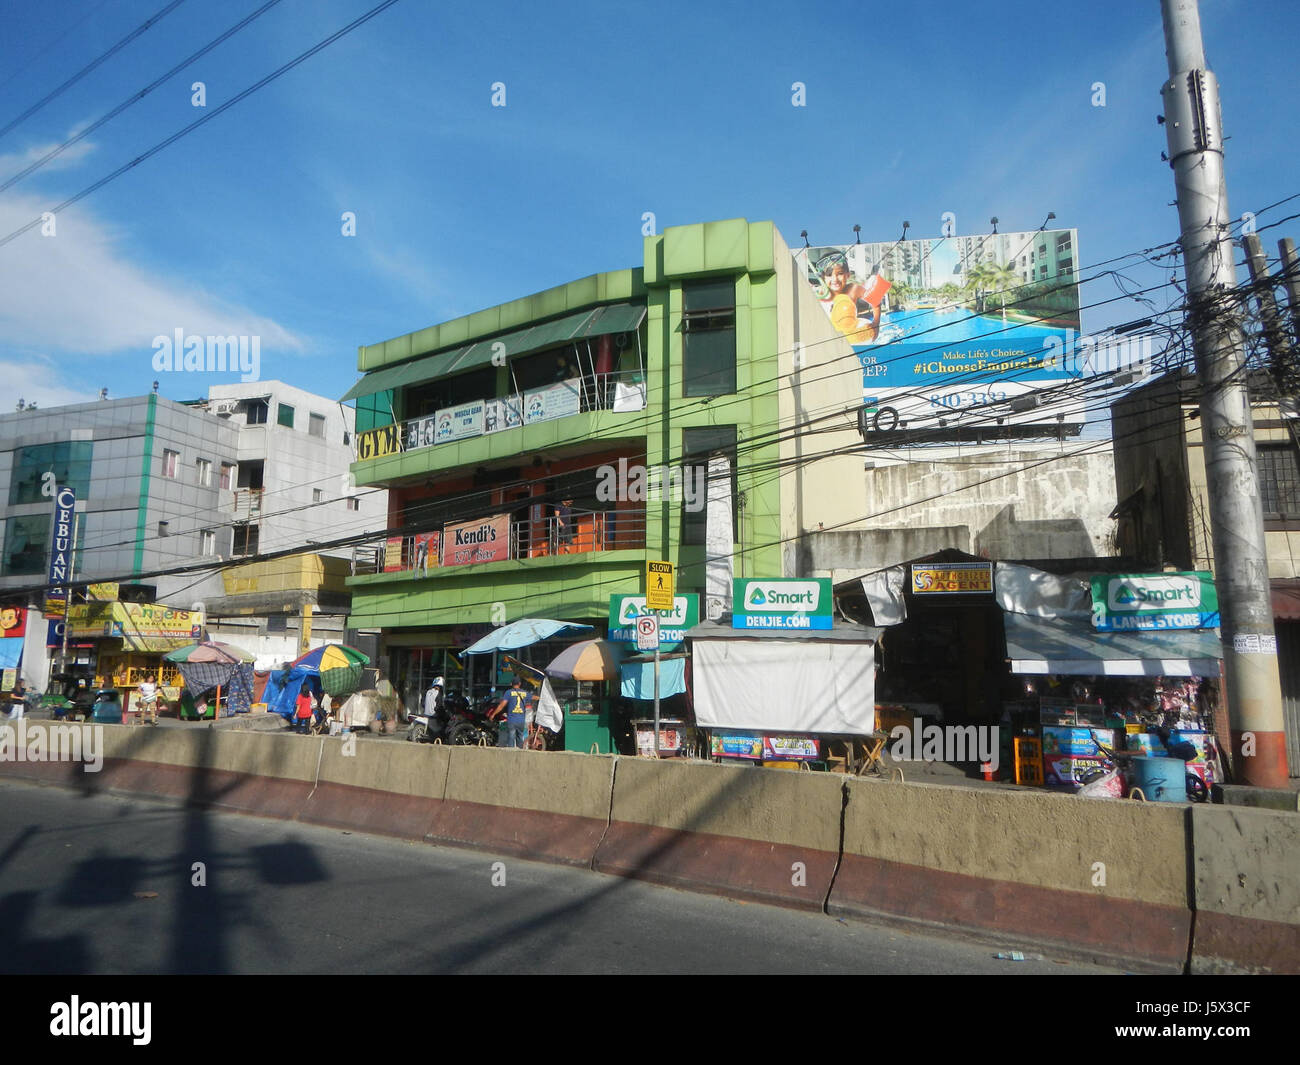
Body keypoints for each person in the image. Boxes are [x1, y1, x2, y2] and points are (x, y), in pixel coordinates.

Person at [492, 676, 532, 749]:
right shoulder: (524, 693)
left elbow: (502, 705)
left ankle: (511, 755)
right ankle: (520, 753)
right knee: (520, 738)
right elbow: (533, 697)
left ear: (511, 684)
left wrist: (493, 714)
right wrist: (541, 698)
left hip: (512, 720)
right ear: (519, 683)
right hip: (521, 721)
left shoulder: (508, 692)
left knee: (511, 737)